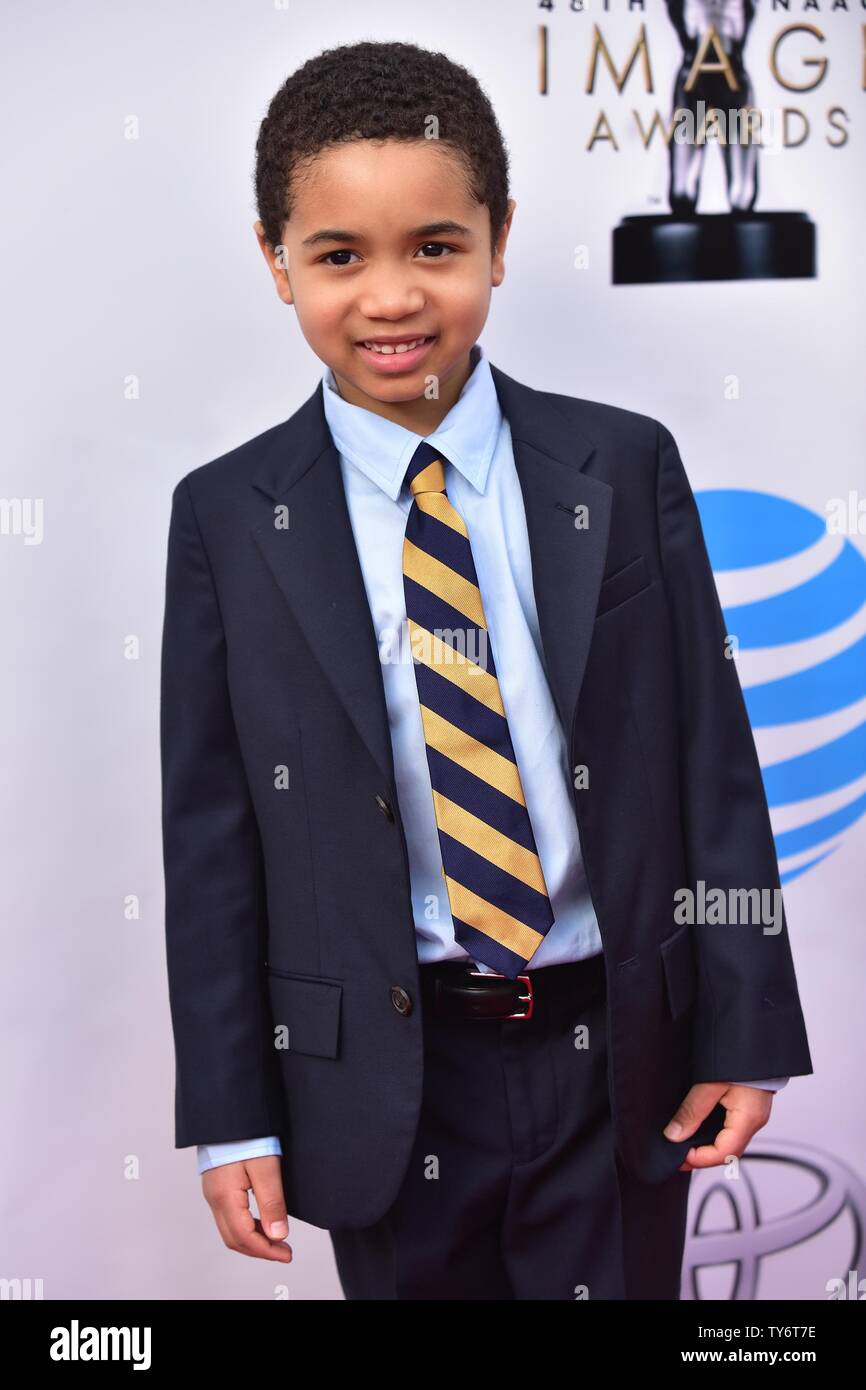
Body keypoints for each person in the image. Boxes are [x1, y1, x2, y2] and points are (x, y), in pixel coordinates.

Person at [160, 39, 812, 1300]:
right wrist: (233, 1112)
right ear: (274, 259)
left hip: (612, 1056)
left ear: (498, 242)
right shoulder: (230, 514)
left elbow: (707, 765)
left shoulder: (621, 467)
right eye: (340, 255)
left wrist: (743, 1030)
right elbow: (212, 833)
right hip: (380, 1082)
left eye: (435, 249)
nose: (392, 298)